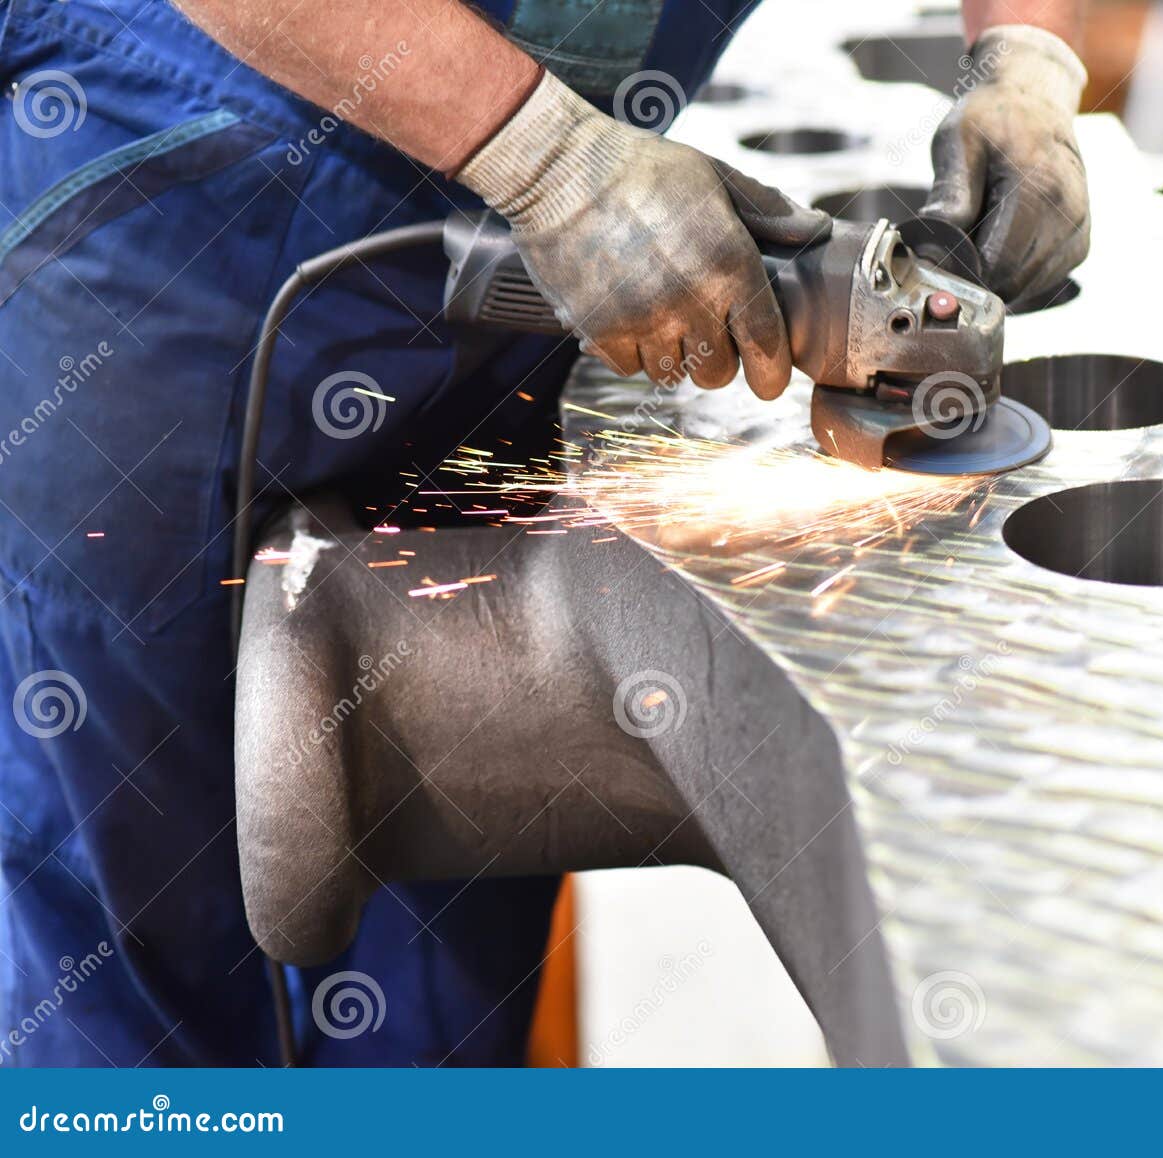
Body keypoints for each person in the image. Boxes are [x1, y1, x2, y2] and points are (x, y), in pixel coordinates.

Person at [0, 0, 1091, 1065]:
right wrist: (541, 153)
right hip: (177, 200)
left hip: (534, 251)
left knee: (453, 899)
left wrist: (1026, 56)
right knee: (133, 936)